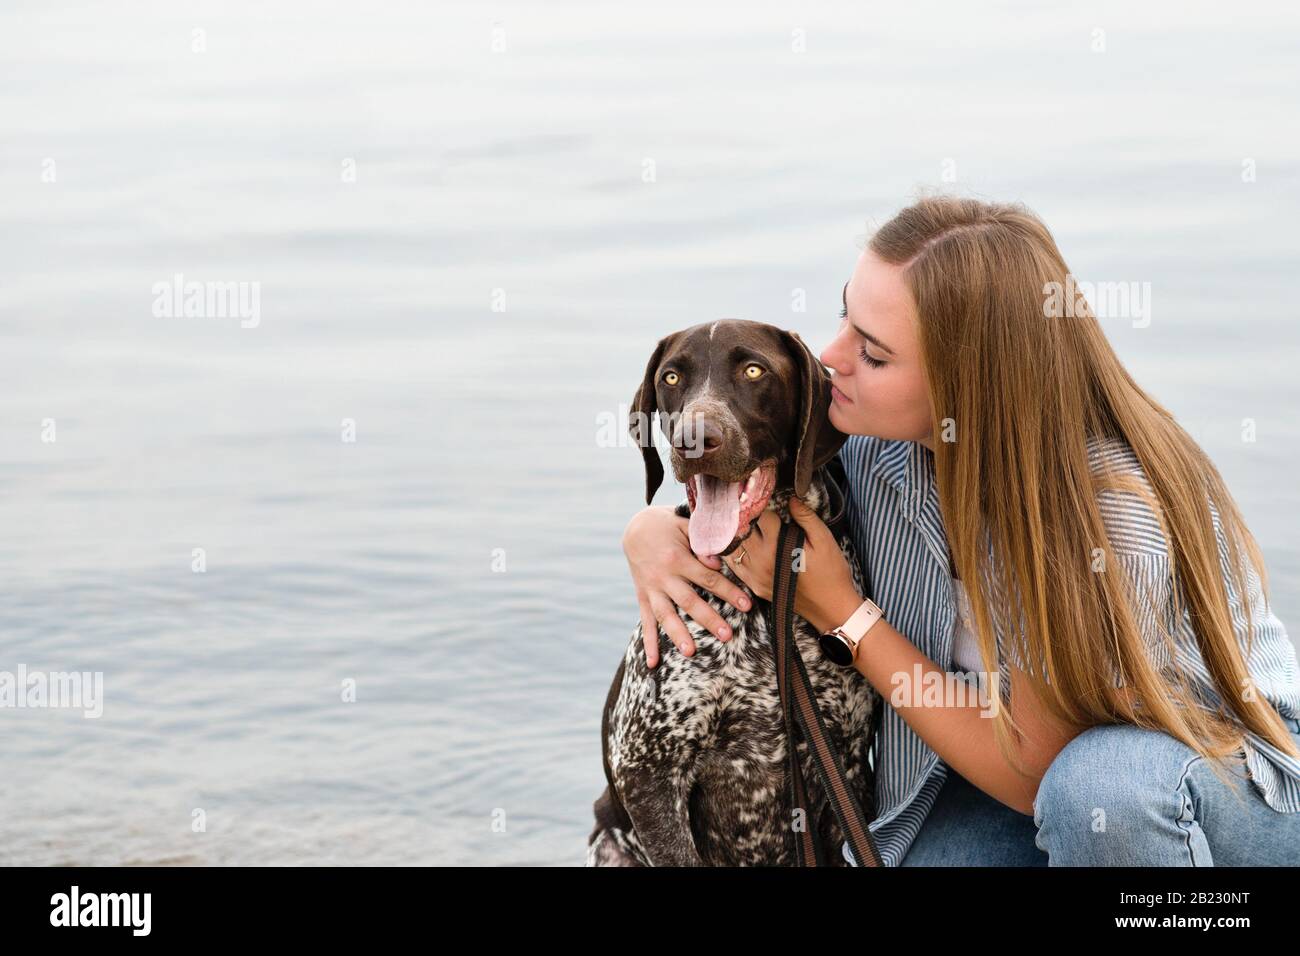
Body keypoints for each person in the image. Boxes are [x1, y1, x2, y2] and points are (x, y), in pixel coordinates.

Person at [620, 195, 1300, 866]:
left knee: (1101, 789)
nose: (832, 358)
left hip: (1214, 781)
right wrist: (652, 532)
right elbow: (748, 472)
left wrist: (847, 617)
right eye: (844, 317)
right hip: (999, 764)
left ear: (966, 385)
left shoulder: (1112, 517)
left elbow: (1038, 772)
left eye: (875, 355)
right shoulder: (876, 445)